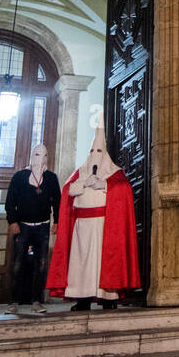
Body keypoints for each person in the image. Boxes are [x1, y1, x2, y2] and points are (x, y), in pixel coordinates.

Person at [47, 127, 141, 311]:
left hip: (104, 225)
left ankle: (108, 298)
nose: (95, 155)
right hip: (81, 226)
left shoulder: (115, 173)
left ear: (104, 153)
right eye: (92, 151)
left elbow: (124, 191)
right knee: (81, 263)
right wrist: (83, 183)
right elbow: (67, 190)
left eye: (99, 151)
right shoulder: (81, 172)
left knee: (103, 262)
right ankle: (82, 298)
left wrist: (105, 184)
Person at [4, 143, 60, 315]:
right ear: (31, 156)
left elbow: (57, 201)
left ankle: (37, 300)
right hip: (23, 227)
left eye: (44, 155)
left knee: (41, 264)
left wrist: (57, 221)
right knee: (18, 264)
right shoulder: (20, 177)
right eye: (37, 154)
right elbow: (10, 202)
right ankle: (14, 301)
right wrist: (13, 222)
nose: (40, 158)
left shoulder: (51, 178)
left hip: (42, 226)